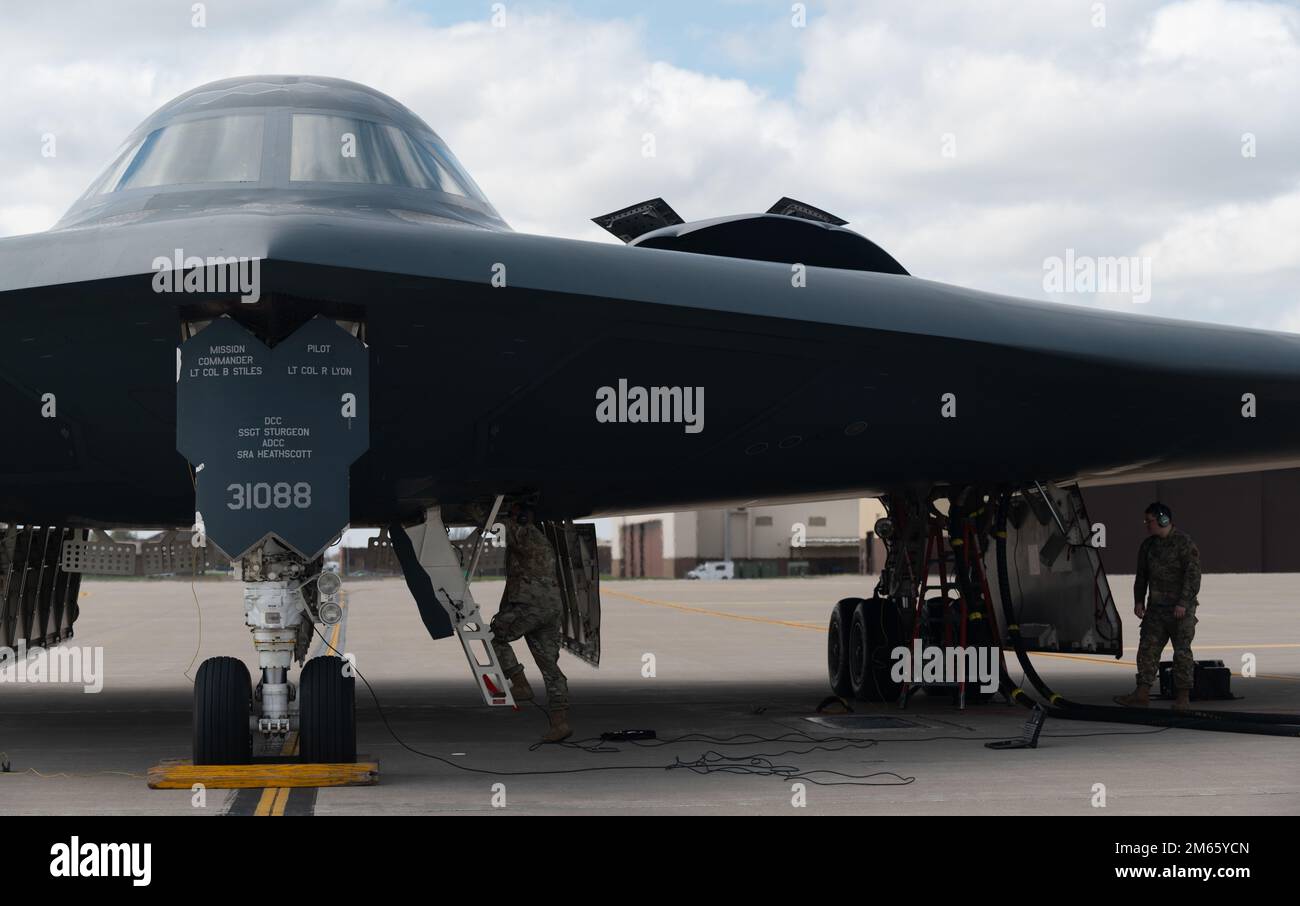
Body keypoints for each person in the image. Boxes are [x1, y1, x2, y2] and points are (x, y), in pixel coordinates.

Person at [489, 502, 572, 742]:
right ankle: (560, 723)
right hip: (550, 609)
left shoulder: (524, 534)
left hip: (529, 607)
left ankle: (519, 682)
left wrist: (473, 509)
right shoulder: (540, 540)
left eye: (514, 514)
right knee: (550, 668)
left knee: (493, 638)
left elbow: (494, 526)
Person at [1114, 502, 1201, 712]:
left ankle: (1183, 698)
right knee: (1147, 650)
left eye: (1150, 521)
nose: (1147, 525)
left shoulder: (1184, 543)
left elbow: (1193, 576)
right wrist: (1138, 601)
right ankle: (1141, 693)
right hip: (1156, 610)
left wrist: (1182, 603)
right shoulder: (1148, 545)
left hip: (1180, 611)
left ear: (1163, 519)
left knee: (1182, 654)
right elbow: (1142, 576)